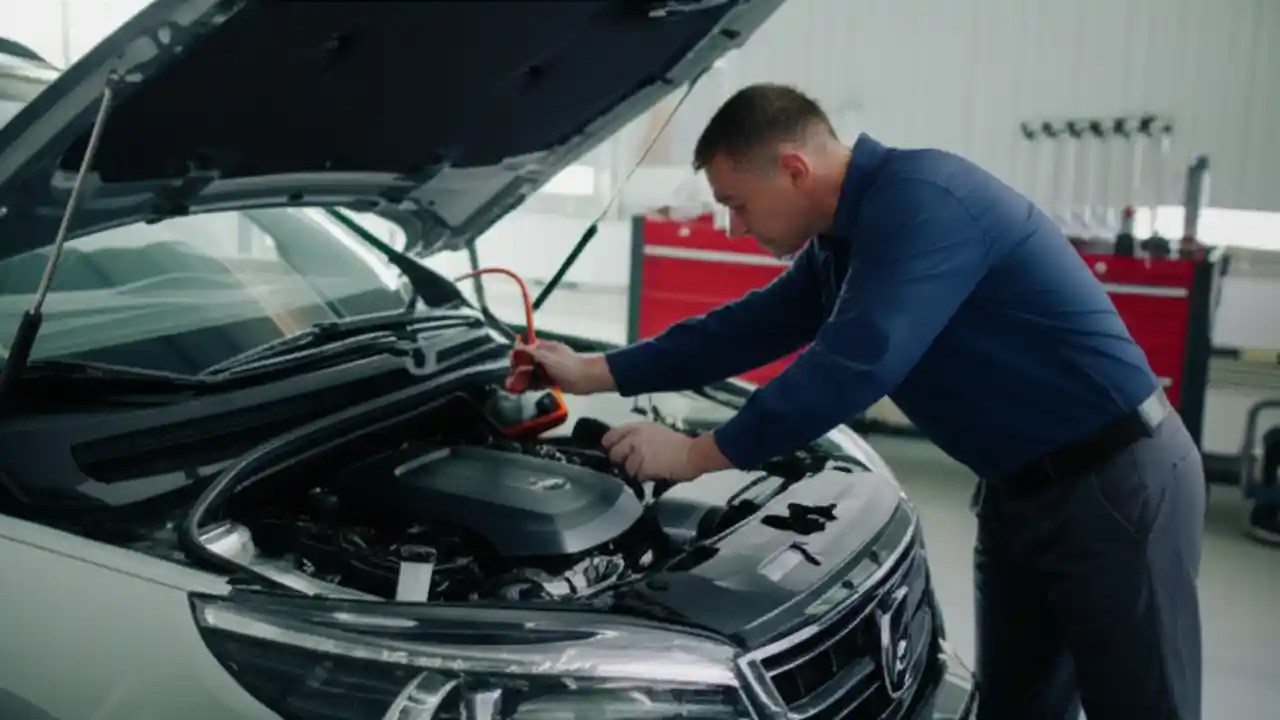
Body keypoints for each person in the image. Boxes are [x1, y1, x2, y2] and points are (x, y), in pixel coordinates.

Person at [521, 84, 1205, 720]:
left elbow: (855, 364)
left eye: (737, 203)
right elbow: (744, 329)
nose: (732, 228)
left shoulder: (923, 203)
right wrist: (594, 371)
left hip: (1115, 483)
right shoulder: (842, 242)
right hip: (1019, 492)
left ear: (793, 170)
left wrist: (696, 455)